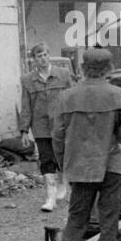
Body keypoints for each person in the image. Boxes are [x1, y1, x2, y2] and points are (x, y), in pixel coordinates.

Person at [40, 49, 121, 241]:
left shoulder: (67, 96)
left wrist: (67, 164)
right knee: (108, 224)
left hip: (81, 169)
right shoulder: (118, 94)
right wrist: (116, 138)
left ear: (83, 67)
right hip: (111, 167)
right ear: (109, 68)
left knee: (75, 222)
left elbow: (57, 137)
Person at [19, 43, 76, 211]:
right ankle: (50, 198)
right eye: (39, 56)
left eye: (44, 54)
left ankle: (64, 184)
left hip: (62, 126)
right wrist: (24, 131)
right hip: (41, 127)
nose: (42, 58)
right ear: (34, 59)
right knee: (46, 160)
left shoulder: (63, 75)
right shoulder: (28, 80)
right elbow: (26, 106)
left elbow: (72, 99)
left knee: (64, 159)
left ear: (49, 55)